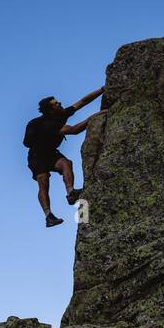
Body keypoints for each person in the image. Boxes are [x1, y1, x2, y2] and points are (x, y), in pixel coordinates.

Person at [23, 87, 104, 227]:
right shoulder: (46, 124)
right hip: (37, 156)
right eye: (56, 103)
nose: (60, 103)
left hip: (51, 152)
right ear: (51, 110)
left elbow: (82, 101)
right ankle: (49, 216)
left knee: (66, 163)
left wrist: (102, 89)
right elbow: (75, 129)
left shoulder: (61, 114)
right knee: (43, 184)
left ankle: (71, 193)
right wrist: (97, 116)